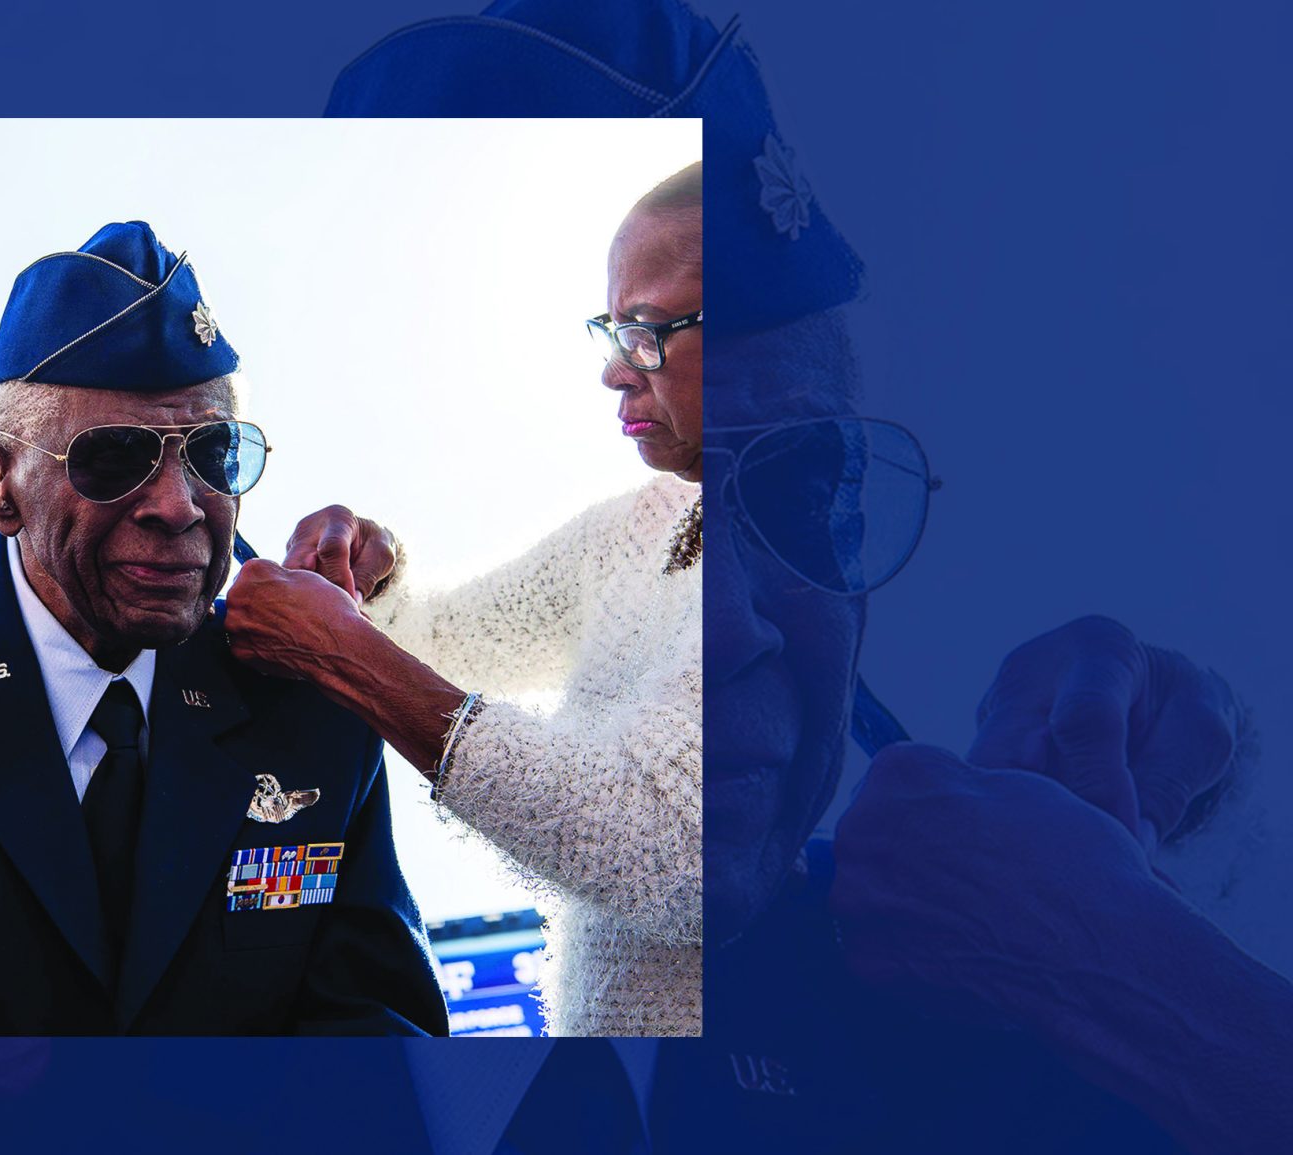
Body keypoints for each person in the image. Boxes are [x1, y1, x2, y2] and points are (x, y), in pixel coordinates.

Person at [323, 1, 1291, 1151]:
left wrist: (1155, 922)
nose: (731, 630)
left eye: (801, 495)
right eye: (663, 538)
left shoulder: (985, 1017)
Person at [0, 221, 451, 1035]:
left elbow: (376, 1042)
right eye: (114, 456)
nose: (177, 505)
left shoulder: (306, 696)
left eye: (215, 454)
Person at [222, 161, 705, 1037]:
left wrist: (343, 653)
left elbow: (661, 847)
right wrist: (378, 583)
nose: (614, 371)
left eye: (646, 331)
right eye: (612, 330)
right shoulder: (636, 529)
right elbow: (455, 641)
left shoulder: (810, 557)